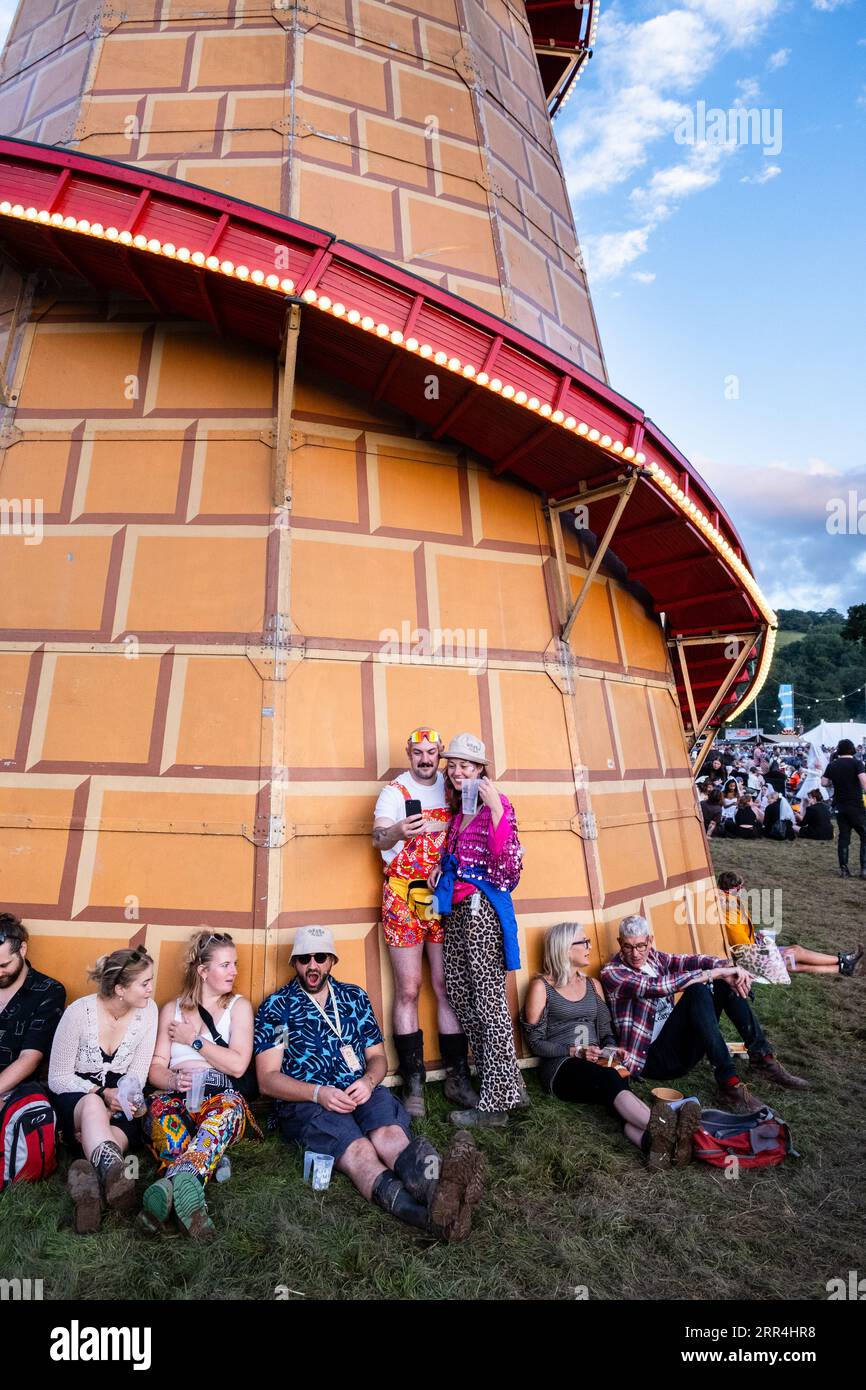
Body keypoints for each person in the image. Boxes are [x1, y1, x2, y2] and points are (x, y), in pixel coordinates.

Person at [254, 926, 485, 1240]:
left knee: (390, 1137)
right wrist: (318, 1093)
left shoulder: (353, 998)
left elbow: (377, 1058)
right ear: (294, 962)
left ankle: (441, 1190)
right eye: (304, 958)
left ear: (331, 960)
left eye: (320, 957)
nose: (312, 965)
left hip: (360, 1087)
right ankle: (429, 1218)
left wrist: (368, 1080)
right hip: (310, 1102)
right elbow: (268, 1078)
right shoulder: (279, 1009)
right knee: (361, 1153)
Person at [521, 923, 700, 1170]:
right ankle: (674, 1132)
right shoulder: (542, 987)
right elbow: (535, 1043)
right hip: (561, 1065)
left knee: (614, 1094)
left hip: (597, 1060)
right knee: (608, 1081)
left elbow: (605, 1032)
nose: (589, 947)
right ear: (564, 948)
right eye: (583, 942)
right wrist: (574, 1051)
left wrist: (612, 1049)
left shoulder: (593, 985)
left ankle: (656, 1148)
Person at [601, 916, 808, 1115]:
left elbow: (690, 960)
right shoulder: (613, 972)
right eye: (627, 947)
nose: (635, 954)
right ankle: (729, 1084)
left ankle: (763, 1058)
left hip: (679, 1046)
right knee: (697, 990)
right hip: (653, 1060)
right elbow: (657, 986)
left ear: (650, 941)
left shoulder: (654, 957)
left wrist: (727, 967)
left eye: (640, 946)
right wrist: (713, 974)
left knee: (722, 981)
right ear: (620, 943)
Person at [371, 727, 476, 1117]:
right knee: (409, 989)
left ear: (440, 754)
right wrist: (397, 830)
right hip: (402, 897)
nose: (426, 759)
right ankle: (413, 1083)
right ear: (408, 753)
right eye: (418, 753)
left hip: (442, 898)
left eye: (432, 753)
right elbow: (377, 837)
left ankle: (456, 1076)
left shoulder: (453, 788)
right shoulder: (394, 792)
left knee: (447, 985)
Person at [429, 733, 526, 1128]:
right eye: (452, 764)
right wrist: (443, 866)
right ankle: (507, 1084)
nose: (456, 771)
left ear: (482, 770)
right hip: (456, 909)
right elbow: (460, 857)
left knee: (489, 1003)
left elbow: (509, 868)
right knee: (460, 995)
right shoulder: (459, 811)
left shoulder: (496, 805)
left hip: (481, 910)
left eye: (465, 765)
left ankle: (497, 1106)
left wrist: (497, 810)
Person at [139, 931, 259, 1240]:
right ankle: (189, 1195)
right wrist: (172, 1079)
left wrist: (194, 1040)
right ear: (203, 971)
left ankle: (171, 1184)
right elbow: (155, 1068)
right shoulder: (172, 1009)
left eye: (235, 964)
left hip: (219, 1097)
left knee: (228, 1111)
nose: (234, 971)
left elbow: (237, 1064)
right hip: (176, 1096)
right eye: (225, 965)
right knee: (158, 1109)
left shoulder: (239, 1007)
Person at [48, 948, 157, 1233]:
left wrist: (119, 1100)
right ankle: (114, 1175)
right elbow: (57, 1078)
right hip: (77, 1101)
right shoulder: (78, 1014)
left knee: (117, 1133)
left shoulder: (148, 1012)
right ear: (120, 988)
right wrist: (99, 1093)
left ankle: (91, 1187)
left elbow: (138, 1075)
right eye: (144, 983)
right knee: (93, 1107)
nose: (151, 990)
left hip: (120, 1104)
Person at [717, 872, 862, 977]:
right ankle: (842, 960)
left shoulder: (732, 903)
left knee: (791, 961)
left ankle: (843, 968)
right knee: (795, 952)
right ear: (734, 889)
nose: (744, 890)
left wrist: (756, 937)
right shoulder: (729, 912)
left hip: (751, 953)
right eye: (741, 887)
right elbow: (742, 947)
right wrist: (764, 947)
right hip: (751, 961)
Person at [0, 913, 65, 1110]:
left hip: (16, 1089)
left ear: (22, 949)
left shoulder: (48, 990)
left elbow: (30, 1057)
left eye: (4, 965)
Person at [822, 738, 866, 878]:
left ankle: (844, 870)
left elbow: (824, 783)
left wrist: (834, 781)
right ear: (852, 749)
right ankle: (864, 869)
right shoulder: (857, 763)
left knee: (844, 838)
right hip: (856, 806)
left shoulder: (832, 765)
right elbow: (864, 782)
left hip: (840, 806)